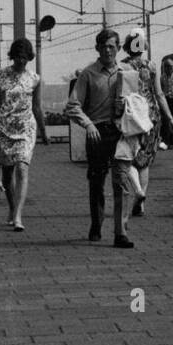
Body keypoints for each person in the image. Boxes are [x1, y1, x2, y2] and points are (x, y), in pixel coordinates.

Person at [65, 29, 135, 248]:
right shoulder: (88, 74)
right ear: (97, 48)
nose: (107, 50)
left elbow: (138, 102)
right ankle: (96, 223)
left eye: (112, 46)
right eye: (103, 46)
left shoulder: (129, 72)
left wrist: (129, 108)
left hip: (121, 132)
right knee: (97, 181)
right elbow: (72, 105)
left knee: (121, 180)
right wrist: (88, 125)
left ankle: (120, 232)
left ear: (119, 48)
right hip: (98, 132)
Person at [0, 37, 48, 231]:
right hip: (3, 129)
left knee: (22, 168)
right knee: (8, 173)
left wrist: (44, 131)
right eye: (18, 57)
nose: (21, 61)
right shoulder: (0, 76)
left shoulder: (34, 79)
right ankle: (11, 208)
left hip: (26, 128)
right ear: (12, 56)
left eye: (25, 58)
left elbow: (37, 107)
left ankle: (18, 215)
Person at [123, 32, 173, 217]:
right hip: (151, 117)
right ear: (143, 46)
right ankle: (142, 202)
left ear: (127, 46)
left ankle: (138, 191)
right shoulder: (151, 66)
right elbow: (160, 95)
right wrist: (169, 118)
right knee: (144, 162)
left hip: (130, 117)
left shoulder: (122, 66)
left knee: (128, 158)